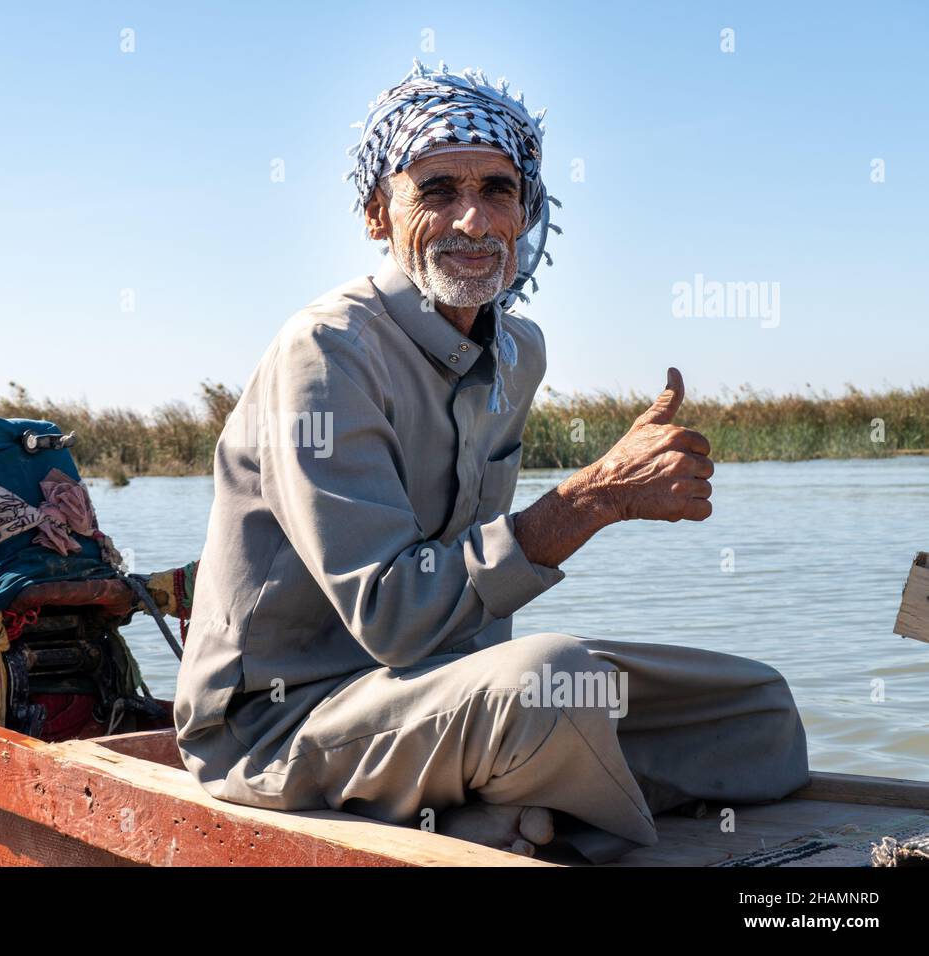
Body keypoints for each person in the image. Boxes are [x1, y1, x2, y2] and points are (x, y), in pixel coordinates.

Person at [172, 60, 809, 862]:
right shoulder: (328, 352)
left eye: (497, 191)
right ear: (379, 212)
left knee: (754, 710)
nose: (472, 220)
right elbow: (394, 616)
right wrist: (593, 500)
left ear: (525, 210)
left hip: (441, 695)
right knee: (549, 681)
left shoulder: (518, 350)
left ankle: (520, 794)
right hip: (280, 723)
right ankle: (536, 803)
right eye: (437, 191)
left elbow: (459, 614)